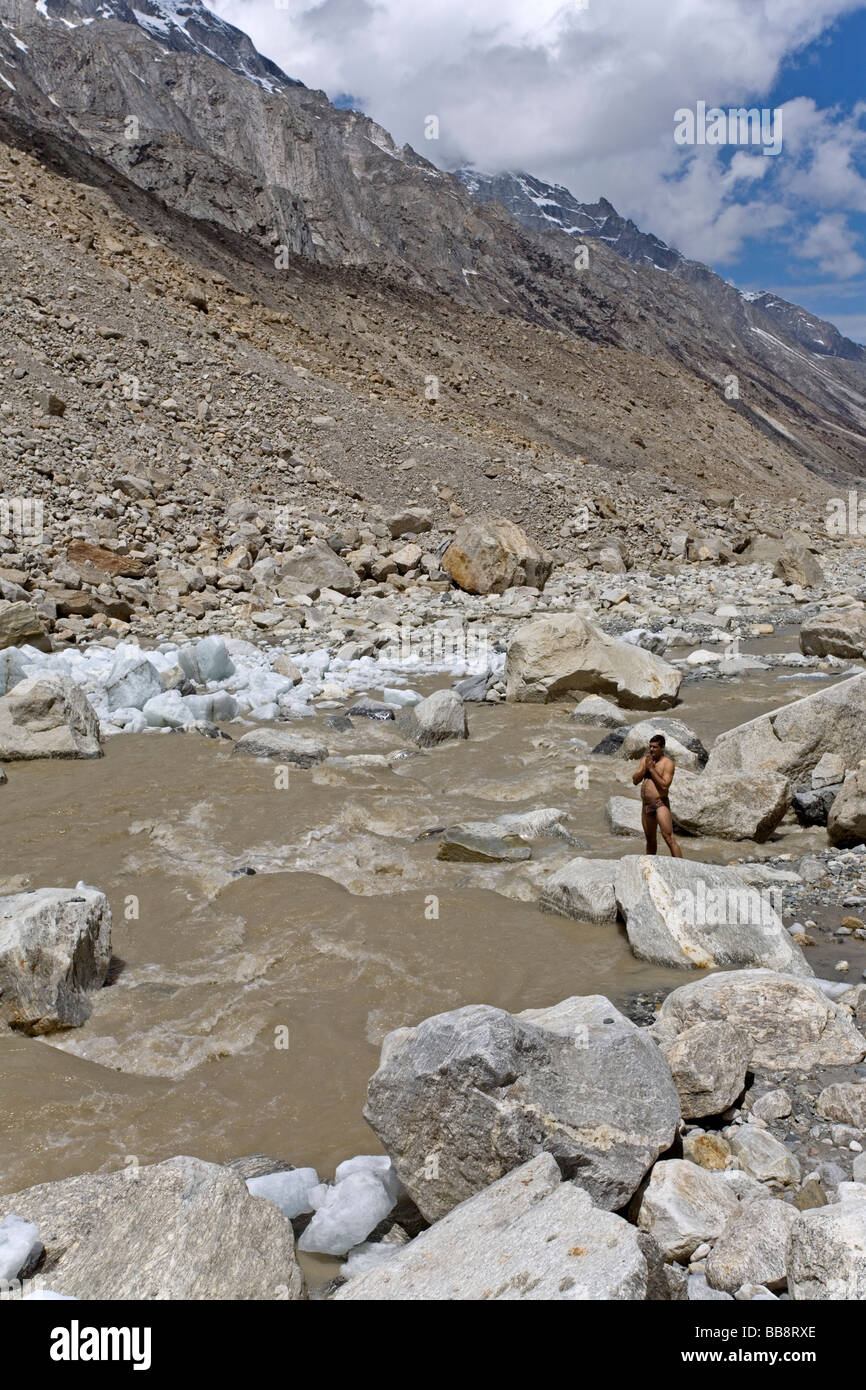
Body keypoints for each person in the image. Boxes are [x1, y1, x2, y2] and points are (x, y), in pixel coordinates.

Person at [632, 733, 683, 858]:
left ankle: (682, 866)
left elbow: (665, 784)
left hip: (660, 804)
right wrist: (645, 769)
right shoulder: (646, 760)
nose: (651, 749)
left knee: (668, 837)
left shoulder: (668, 763)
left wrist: (652, 770)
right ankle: (650, 865)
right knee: (650, 840)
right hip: (646, 806)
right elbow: (635, 780)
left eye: (655, 747)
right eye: (650, 746)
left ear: (662, 748)